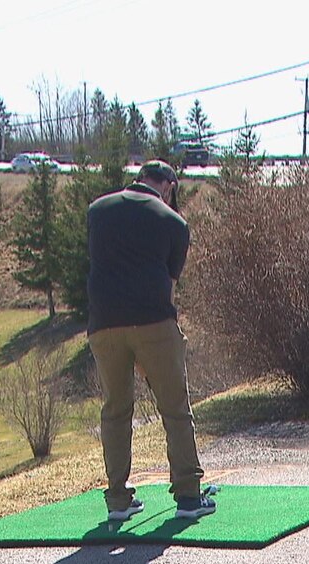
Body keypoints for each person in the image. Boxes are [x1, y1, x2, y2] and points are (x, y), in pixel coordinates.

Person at [86, 159, 215, 522]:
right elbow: (169, 288)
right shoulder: (174, 223)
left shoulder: (98, 211)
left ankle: (118, 501)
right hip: (154, 322)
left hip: (104, 324)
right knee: (175, 408)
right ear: (169, 187)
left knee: (115, 411)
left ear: (139, 179)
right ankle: (189, 497)